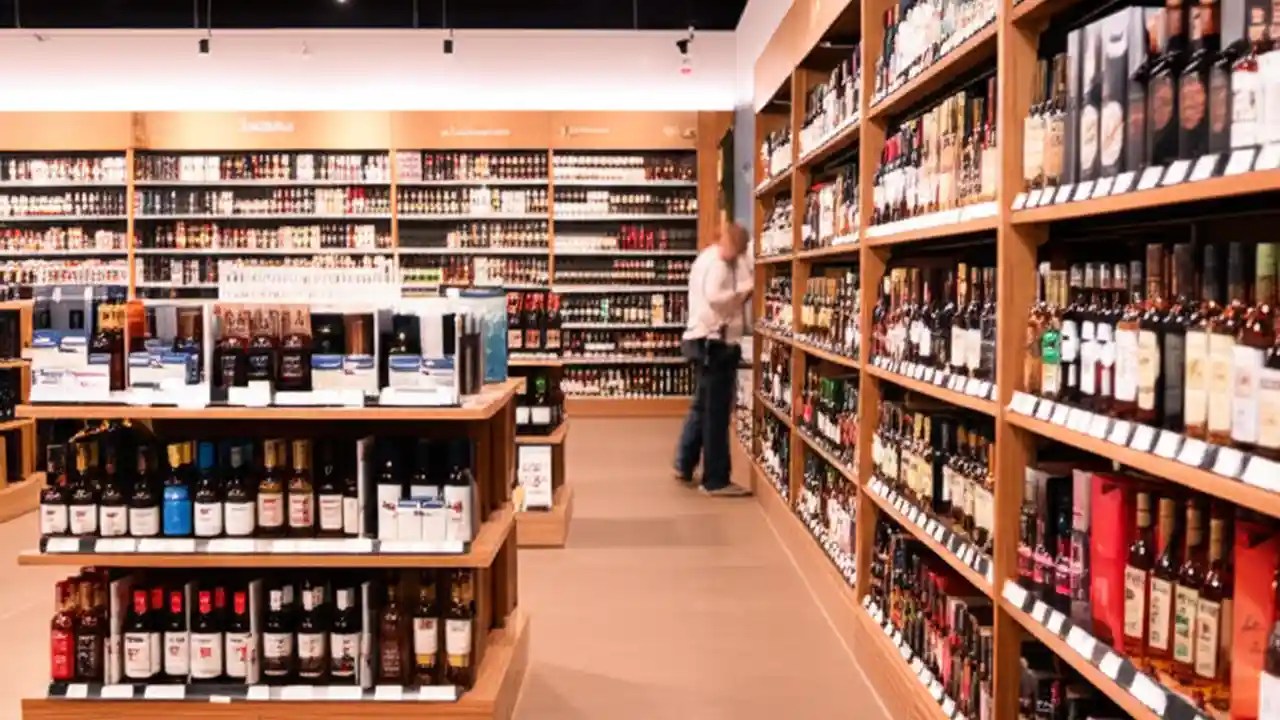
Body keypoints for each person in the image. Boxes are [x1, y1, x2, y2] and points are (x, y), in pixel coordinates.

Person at [673, 221, 753, 496]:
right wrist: (741, 294)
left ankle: (684, 462)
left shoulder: (705, 256)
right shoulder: (720, 262)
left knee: (702, 405)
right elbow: (715, 296)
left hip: (698, 338)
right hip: (714, 342)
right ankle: (715, 480)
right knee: (716, 413)